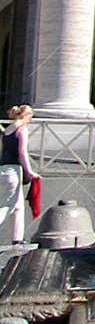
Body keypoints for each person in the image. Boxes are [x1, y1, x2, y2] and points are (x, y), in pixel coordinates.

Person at [0, 105, 36, 246]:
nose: (31, 118)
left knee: (18, 207)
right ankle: (17, 239)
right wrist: (29, 171)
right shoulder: (22, 130)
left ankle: (18, 239)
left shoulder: (8, 130)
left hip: (3, 168)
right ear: (25, 115)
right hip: (14, 171)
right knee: (8, 205)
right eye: (31, 116)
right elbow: (22, 152)